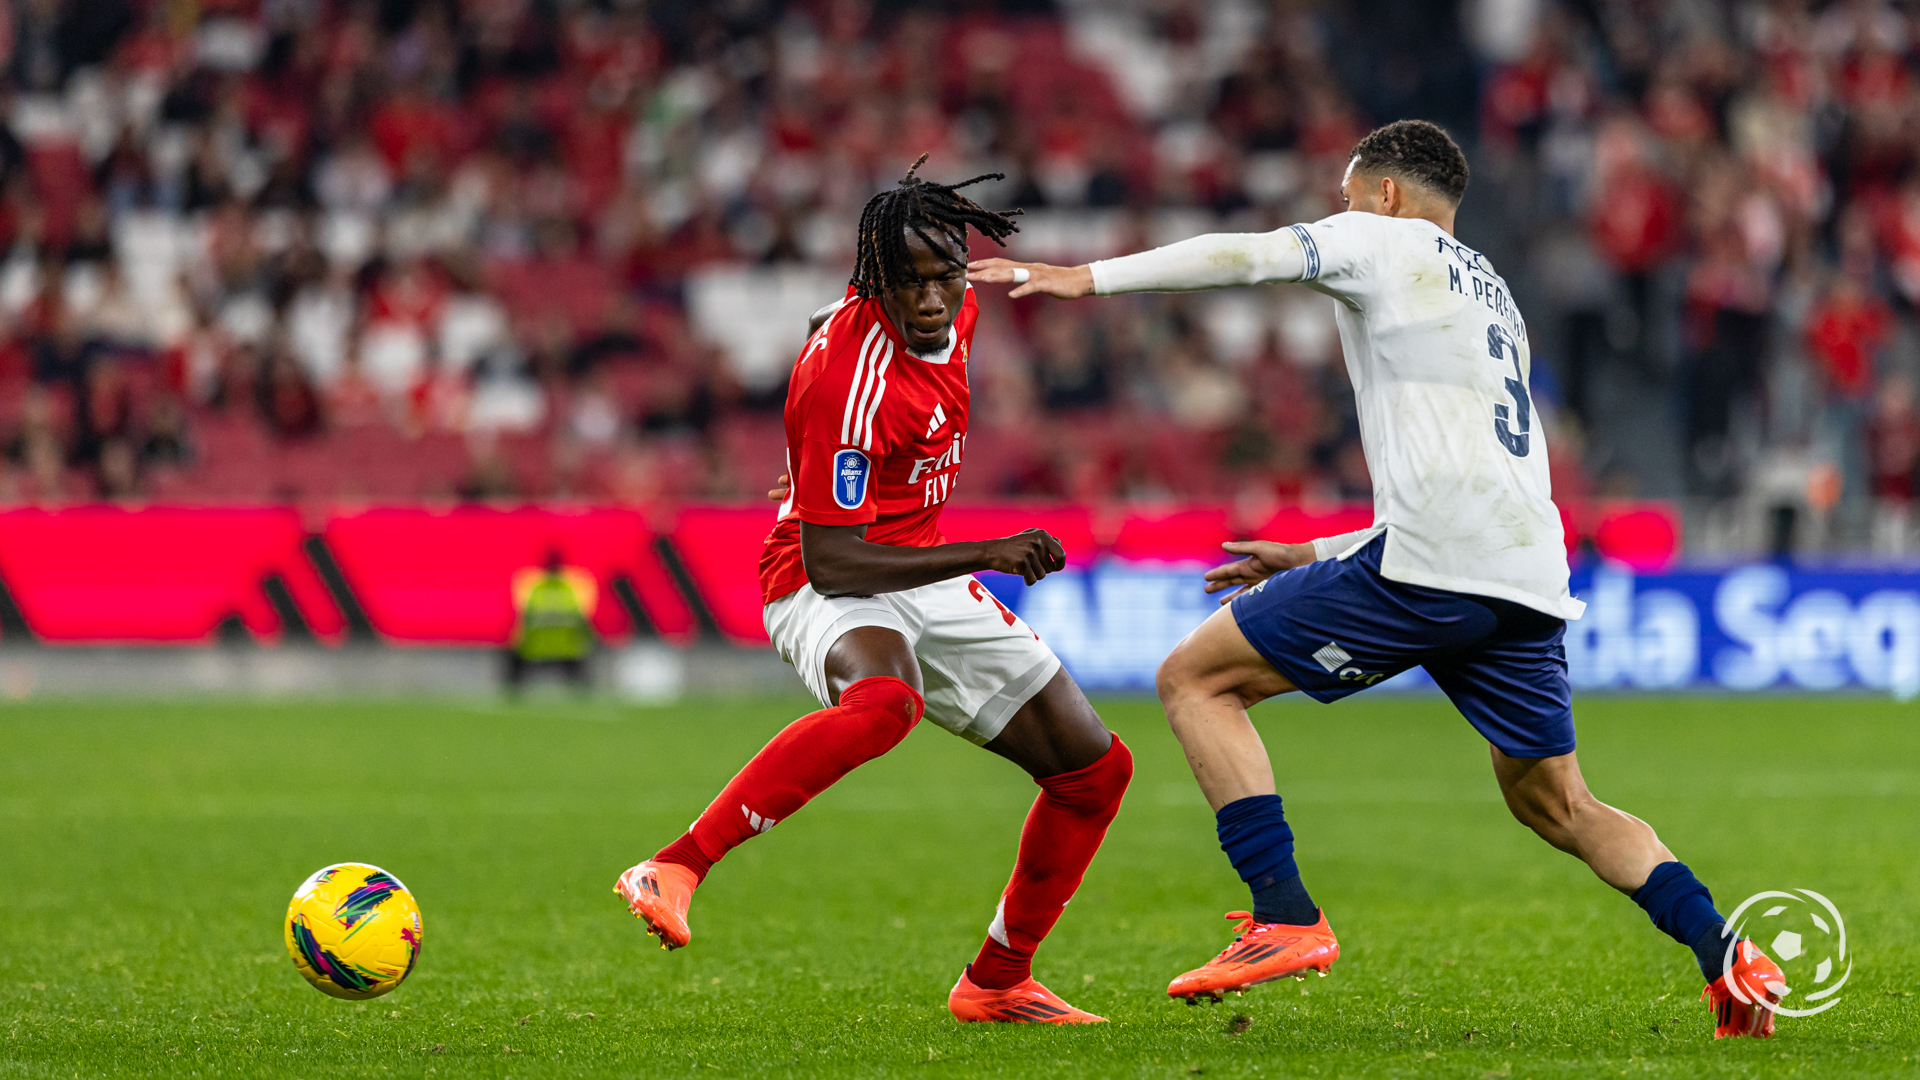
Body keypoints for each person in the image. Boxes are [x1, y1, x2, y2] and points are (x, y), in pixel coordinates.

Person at [969, 120, 1787, 1039]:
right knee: (1558, 800)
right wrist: (1316, 553)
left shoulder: (1380, 237)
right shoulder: (1493, 292)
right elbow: (1465, 471)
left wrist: (1086, 277)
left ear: (1387, 195)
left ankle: (1283, 914)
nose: (1339, 211)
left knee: (1196, 679)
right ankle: (1729, 959)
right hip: (1523, 572)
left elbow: (1249, 256)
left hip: (1435, 564)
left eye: (1347, 194)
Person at [614, 157, 1131, 1025]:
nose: (931, 300)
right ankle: (676, 865)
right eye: (908, 284)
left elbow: (838, 312)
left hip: (915, 560)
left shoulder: (953, 304)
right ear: (875, 285)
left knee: (1094, 771)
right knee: (886, 701)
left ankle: (998, 980)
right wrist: (993, 549)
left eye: (943, 276)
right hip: (822, 574)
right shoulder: (848, 386)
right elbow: (836, 565)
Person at [505, 550, 597, 696]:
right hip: (569, 651)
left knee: (511, 657)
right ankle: (585, 693)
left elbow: (520, 620)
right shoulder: (576, 587)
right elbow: (586, 620)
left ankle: (511, 693)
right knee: (586, 656)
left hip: (533, 650)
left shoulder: (531, 586)